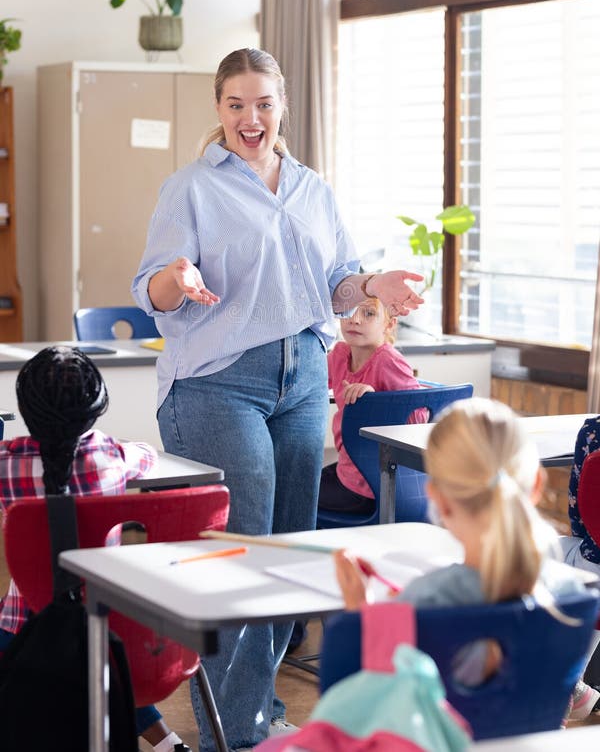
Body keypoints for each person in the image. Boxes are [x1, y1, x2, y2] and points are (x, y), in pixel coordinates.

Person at [131, 47, 424, 751]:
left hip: (301, 380)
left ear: (281, 105)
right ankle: (235, 733)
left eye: (263, 103)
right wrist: (177, 277)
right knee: (245, 547)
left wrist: (374, 285)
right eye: (236, 104)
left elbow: (338, 283)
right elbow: (151, 291)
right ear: (219, 108)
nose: (251, 118)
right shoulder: (191, 188)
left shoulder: (312, 189)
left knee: (289, 550)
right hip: (217, 381)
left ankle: (256, 711)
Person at [0, 346, 190, 752]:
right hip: (111, 623)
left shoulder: (7, 465)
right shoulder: (112, 455)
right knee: (99, 660)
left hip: (24, 628)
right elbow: (148, 457)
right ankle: (168, 743)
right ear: (95, 408)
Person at [335, 398, 589, 693]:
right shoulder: (572, 593)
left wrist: (360, 616)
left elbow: (375, 695)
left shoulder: (425, 600)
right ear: (536, 485)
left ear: (438, 499)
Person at [319, 297, 427, 516]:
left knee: (291, 495)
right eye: (348, 311)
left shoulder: (388, 361)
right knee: (295, 481)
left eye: (368, 313)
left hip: (375, 485)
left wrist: (376, 401)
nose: (355, 320)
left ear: (389, 324)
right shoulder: (340, 355)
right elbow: (310, 379)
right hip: (350, 472)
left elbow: (420, 417)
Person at [557, 413, 600, 718]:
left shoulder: (593, 431)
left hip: (595, 566)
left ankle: (568, 681)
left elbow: (578, 513)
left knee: (536, 555)